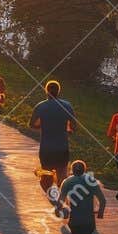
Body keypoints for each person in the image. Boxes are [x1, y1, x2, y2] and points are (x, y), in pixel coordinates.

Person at [31, 80, 77, 209]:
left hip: (46, 148)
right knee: (62, 176)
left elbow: (32, 124)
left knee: (46, 180)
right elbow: (74, 126)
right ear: (59, 91)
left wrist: (43, 126)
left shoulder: (40, 106)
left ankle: (55, 200)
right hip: (62, 147)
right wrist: (68, 129)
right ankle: (64, 200)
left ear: (46, 91)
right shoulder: (67, 106)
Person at [59, 160, 106, 234]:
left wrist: (59, 210)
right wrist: (100, 213)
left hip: (74, 220)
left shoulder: (67, 182)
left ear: (72, 170)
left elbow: (60, 201)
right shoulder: (91, 181)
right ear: (85, 170)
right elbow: (102, 200)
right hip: (89, 220)